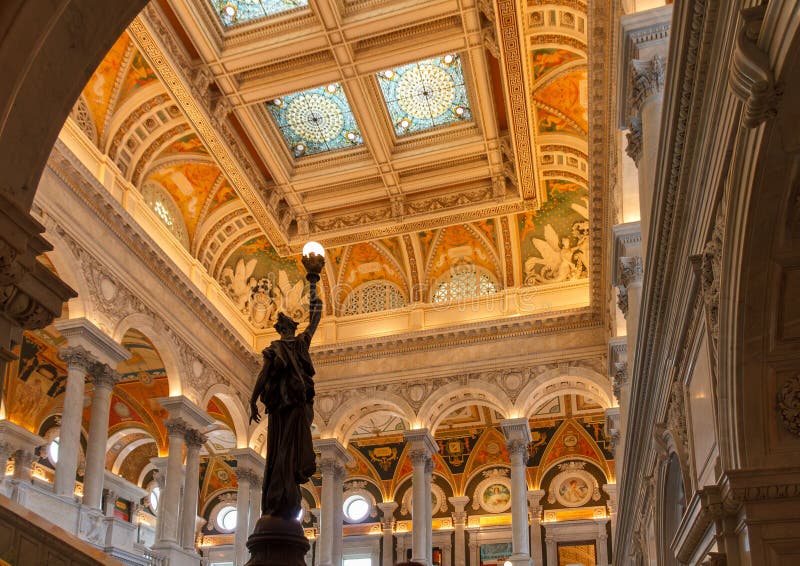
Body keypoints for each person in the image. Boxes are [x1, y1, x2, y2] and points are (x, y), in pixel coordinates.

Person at [249, 293, 322, 519]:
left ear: (283, 329)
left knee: (284, 450)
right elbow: (315, 321)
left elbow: (263, 377)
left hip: (288, 407)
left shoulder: (281, 347)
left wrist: (253, 400)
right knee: (285, 450)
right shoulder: (294, 344)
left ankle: (279, 494)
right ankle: (282, 494)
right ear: (288, 328)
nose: (285, 330)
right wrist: (314, 294)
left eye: (284, 327)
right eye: (285, 327)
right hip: (288, 407)